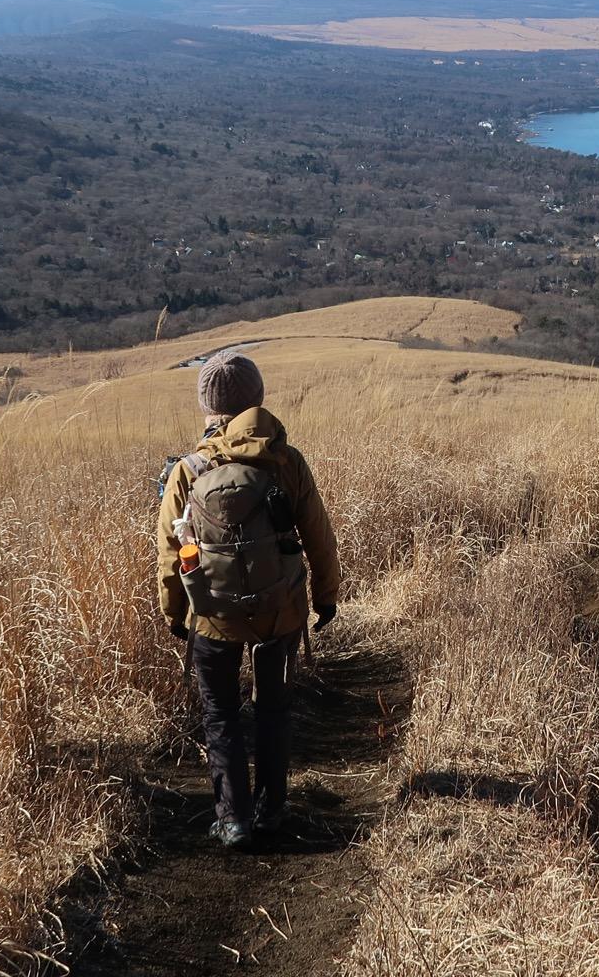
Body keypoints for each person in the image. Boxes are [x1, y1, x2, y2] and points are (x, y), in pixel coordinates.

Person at [156, 349, 342, 847]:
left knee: (220, 714)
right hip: (279, 614)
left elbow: (172, 555)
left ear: (206, 407)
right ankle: (272, 809)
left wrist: (175, 613)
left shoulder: (187, 472)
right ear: (257, 398)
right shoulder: (287, 462)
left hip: (212, 618)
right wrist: (326, 597)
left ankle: (233, 818)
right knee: (274, 709)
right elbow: (319, 537)